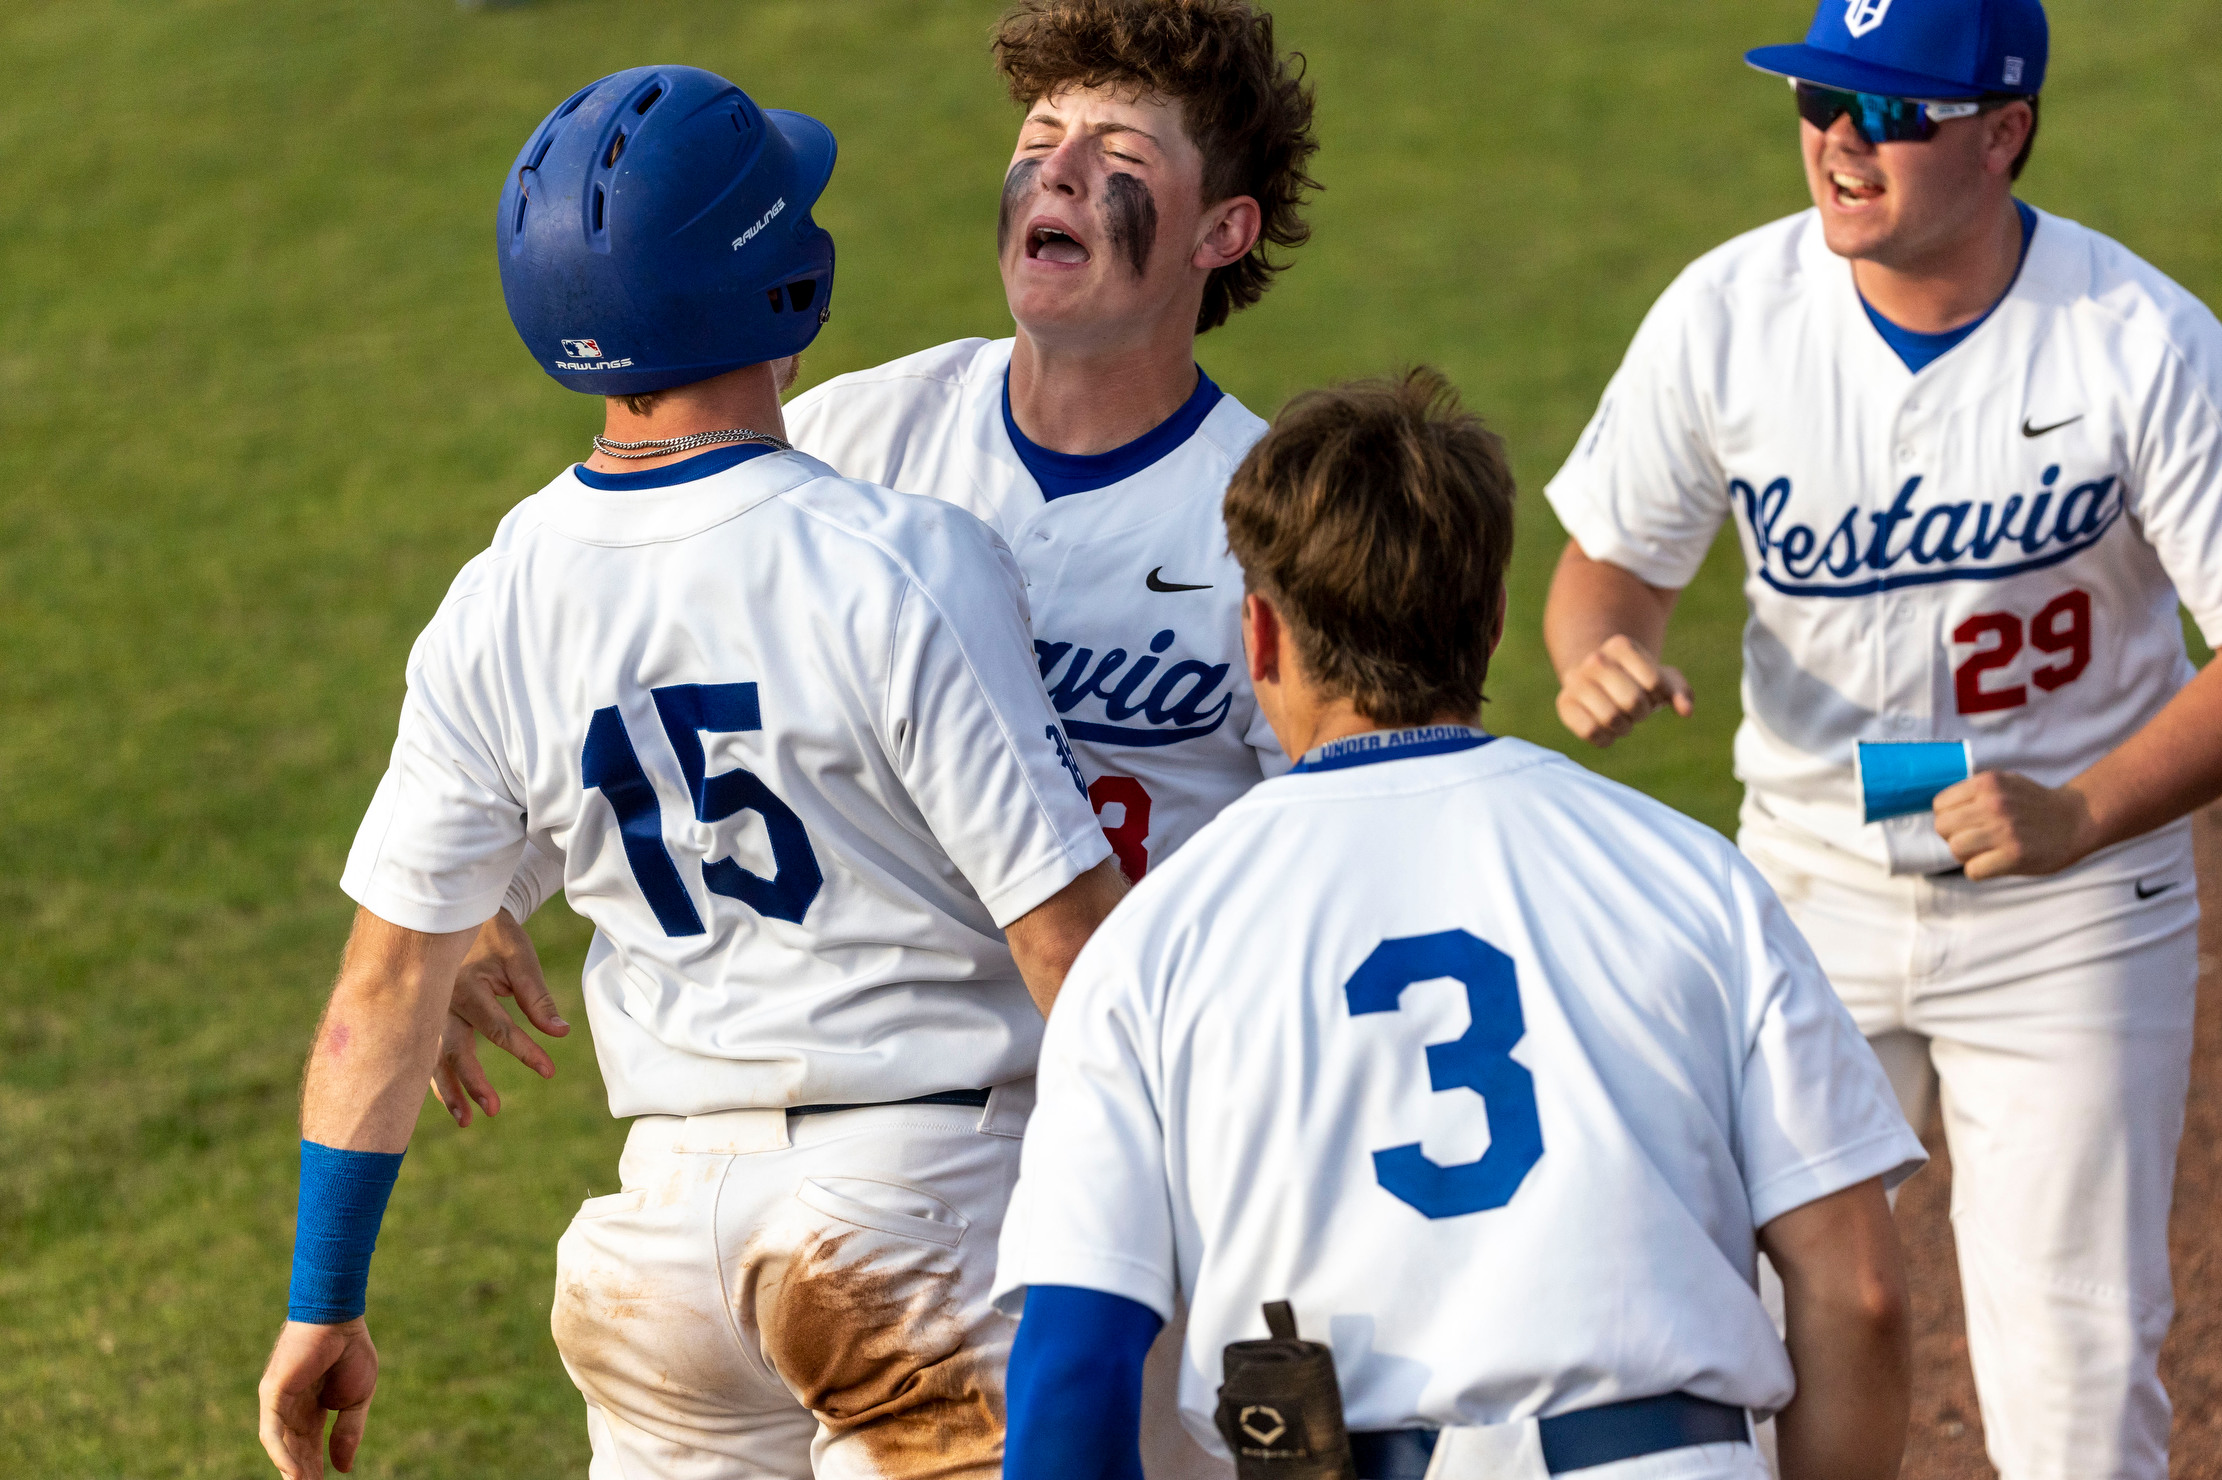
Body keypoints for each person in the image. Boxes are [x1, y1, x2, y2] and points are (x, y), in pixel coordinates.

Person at [450, 6, 1320, 1475]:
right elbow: (635, 663)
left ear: (1219, 229)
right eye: (1038, 144)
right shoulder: (857, 440)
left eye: (1114, 154)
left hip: (1151, 1145)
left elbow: (1339, 856)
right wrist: (488, 881)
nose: (1054, 176)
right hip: (905, 1139)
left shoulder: (1268, 515)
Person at [253, 65, 1124, 1480]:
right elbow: (1065, 943)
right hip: (913, 1226)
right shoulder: (900, 560)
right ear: (779, 277)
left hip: (657, 1261)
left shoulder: (498, 594)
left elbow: (381, 991)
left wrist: (322, 1301)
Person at [990, 369, 1926, 1480]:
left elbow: (1074, 1361)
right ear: (1488, 623)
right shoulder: (1686, 875)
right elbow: (1857, 1293)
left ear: (1260, 634)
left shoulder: (1155, 939)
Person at [1538, 2, 2222, 1475]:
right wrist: (1600, 648)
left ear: (2003, 134)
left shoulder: (2138, 341)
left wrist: (2086, 809)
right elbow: (1611, 562)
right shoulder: (1727, 313)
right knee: (1746, 1331)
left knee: (2075, 1376)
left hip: (2072, 917)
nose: (1843, 142)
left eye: (1893, 114)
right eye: (1817, 102)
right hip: (1803, 897)